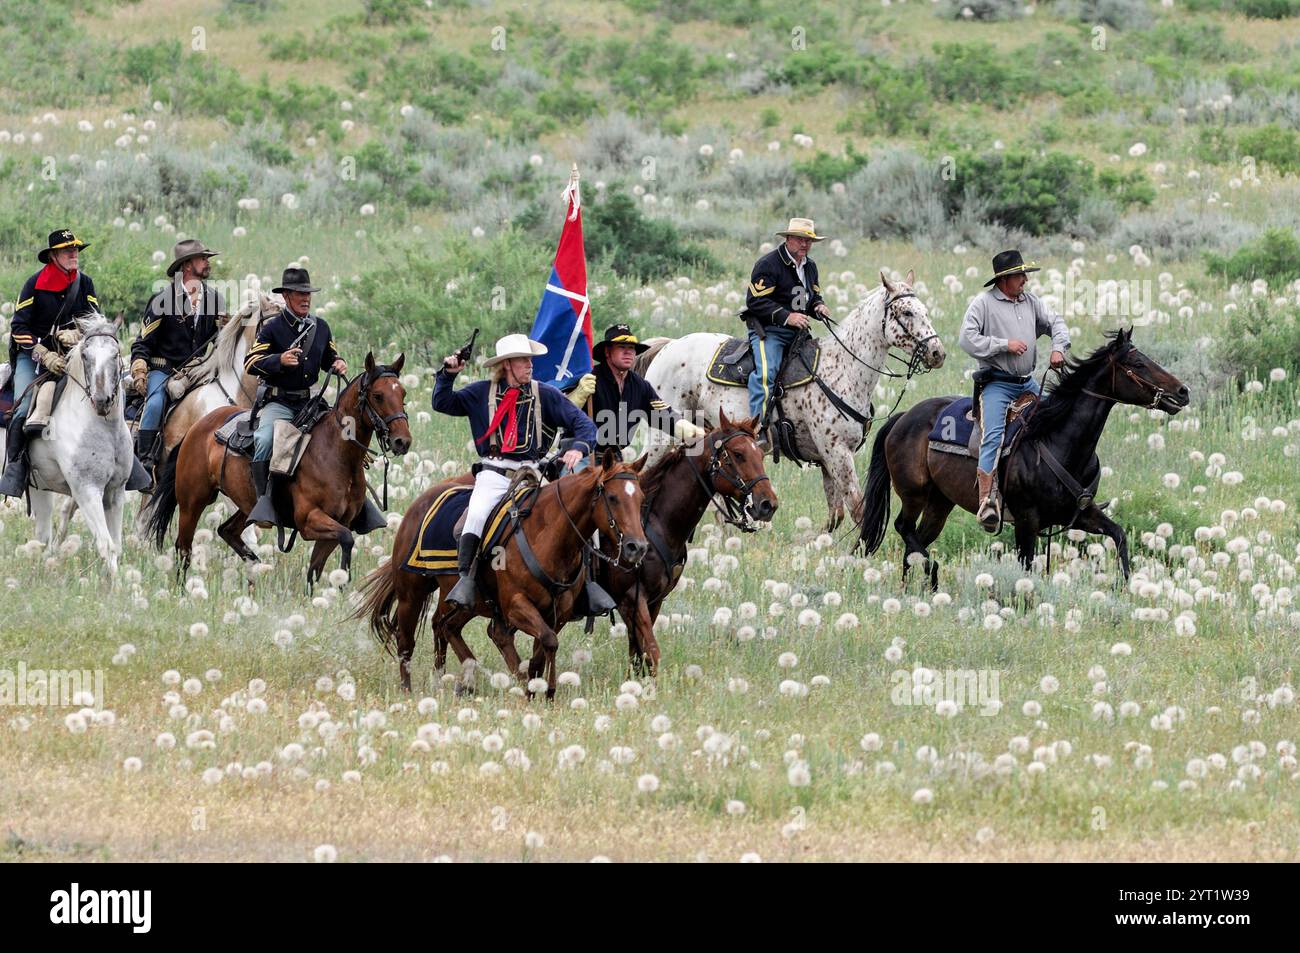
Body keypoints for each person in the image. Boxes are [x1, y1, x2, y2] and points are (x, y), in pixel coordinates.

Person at [434, 333, 597, 608]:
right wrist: (447, 376)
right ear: (507, 364)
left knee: (576, 517)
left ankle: (587, 587)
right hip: (494, 474)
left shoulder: (545, 394)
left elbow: (584, 425)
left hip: (533, 475)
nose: (529, 365)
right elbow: (442, 403)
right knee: (475, 516)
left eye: (530, 360)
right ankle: (467, 579)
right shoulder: (478, 392)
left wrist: (578, 448)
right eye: (523, 360)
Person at [958, 249, 1071, 533]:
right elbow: (966, 339)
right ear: (1005, 278)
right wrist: (1002, 344)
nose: (1025, 280)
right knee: (993, 436)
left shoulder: (1030, 301)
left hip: (1027, 383)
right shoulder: (983, 304)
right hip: (997, 384)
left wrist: (1058, 347)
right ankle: (987, 501)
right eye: (1020, 275)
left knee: (1059, 423)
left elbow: (1055, 322)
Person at [2, 229, 103, 497]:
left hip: (73, 355)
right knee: (23, 407)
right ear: (53, 256)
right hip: (33, 356)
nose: (74, 254)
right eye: (68, 250)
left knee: (107, 391)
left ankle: (125, 461)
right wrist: (43, 353)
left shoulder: (85, 284)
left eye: (76, 250)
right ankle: (15, 469)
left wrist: (79, 333)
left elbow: (96, 322)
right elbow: (19, 328)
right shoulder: (34, 284)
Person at [243, 267, 346, 527]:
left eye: (308, 293)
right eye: (300, 293)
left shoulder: (320, 327)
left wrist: (338, 363)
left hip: (309, 403)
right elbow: (251, 362)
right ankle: (263, 501)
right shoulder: (272, 328)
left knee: (346, 435)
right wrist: (279, 359)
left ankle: (356, 502)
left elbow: (329, 358)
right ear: (287, 296)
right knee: (265, 440)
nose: (306, 298)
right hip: (279, 402)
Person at [130, 239, 227, 473]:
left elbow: (218, 338)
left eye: (207, 258)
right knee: (154, 404)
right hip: (163, 370)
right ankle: (145, 461)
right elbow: (143, 342)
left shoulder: (215, 299)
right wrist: (140, 369)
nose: (207, 262)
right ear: (186, 265)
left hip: (198, 370)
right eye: (202, 258)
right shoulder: (163, 299)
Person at [738, 217, 832, 440]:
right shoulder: (768, 264)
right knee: (765, 374)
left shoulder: (810, 266)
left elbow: (811, 295)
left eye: (809, 241)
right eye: (800, 239)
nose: (805, 244)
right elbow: (755, 301)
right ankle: (758, 430)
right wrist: (787, 317)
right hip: (769, 332)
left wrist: (818, 305)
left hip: (799, 333)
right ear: (788, 239)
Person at [566, 323, 706, 461]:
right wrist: (578, 395)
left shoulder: (640, 386)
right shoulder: (589, 380)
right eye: (621, 347)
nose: (628, 352)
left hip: (613, 459)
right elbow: (561, 414)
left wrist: (691, 431)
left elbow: (664, 415)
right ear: (607, 352)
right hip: (578, 454)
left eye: (631, 348)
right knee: (573, 482)